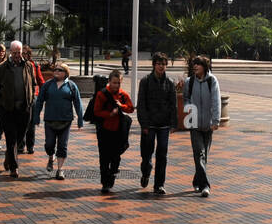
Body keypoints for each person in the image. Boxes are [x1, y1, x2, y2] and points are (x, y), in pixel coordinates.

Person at [31, 61, 83, 179]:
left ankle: (60, 170)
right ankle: (51, 156)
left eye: (59, 70)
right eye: (55, 70)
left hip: (65, 121)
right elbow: (39, 101)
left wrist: (80, 119)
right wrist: (36, 116)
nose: (56, 72)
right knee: (49, 144)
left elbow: (78, 103)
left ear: (65, 73)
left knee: (62, 146)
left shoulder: (71, 85)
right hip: (50, 120)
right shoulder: (48, 85)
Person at [136, 52, 176, 194]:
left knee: (162, 155)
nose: (162, 67)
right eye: (159, 64)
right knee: (147, 155)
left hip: (164, 125)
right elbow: (141, 105)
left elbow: (173, 104)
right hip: (149, 125)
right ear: (154, 65)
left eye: (164, 64)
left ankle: (159, 184)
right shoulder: (146, 81)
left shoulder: (170, 82)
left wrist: (173, 123)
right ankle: (146, 172)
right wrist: (144, 124)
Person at [181, 56, 221, 197]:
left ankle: (197, 180)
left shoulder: (212, 81)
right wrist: (188, 107)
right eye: (194, 64)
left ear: (205, 66)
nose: (195, 66)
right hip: (194, 123)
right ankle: (205, 186)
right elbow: (185, 98)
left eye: (198, 64)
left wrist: (216, 121)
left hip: (208, 125)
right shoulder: (189, 82)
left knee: (204, 156)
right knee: (199, 154)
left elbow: (216, 101)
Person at [0, 41, 35, 178]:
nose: (18, 55)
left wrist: (31, 100)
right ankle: (14, 167)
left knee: (19, 138)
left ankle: (8, 155)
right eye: (15, 53)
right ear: (10, 53)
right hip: (8, 109)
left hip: (24, 109)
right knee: (11, 138)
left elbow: (33, 84)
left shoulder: (29, 66)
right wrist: (0, 103)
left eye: (19, 52)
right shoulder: (1, 68)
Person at [92, 69, 134, 194]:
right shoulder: (102, 94)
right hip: (104, 129)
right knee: (104, 157)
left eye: (118, 83)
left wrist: (122, 106)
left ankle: (113, 172)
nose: (116, 86)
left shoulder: (123, 95)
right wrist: (110, 114)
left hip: (119, 130)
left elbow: (131, 109)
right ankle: (105, 183)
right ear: (109, 82)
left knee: (116, 156)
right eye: (114, 83)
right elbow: (97, 111)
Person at [21, 46, 45, 155]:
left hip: (32, 97)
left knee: (31, 123)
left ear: (29, 55)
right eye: (22, 53)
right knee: (20, 122)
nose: (23, 55)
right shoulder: (16, 65)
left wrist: (45, 94)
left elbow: (41, 81)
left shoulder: (34, 65)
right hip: (20, 97)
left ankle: (30, 146)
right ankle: (21, 145)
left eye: (26, 53)